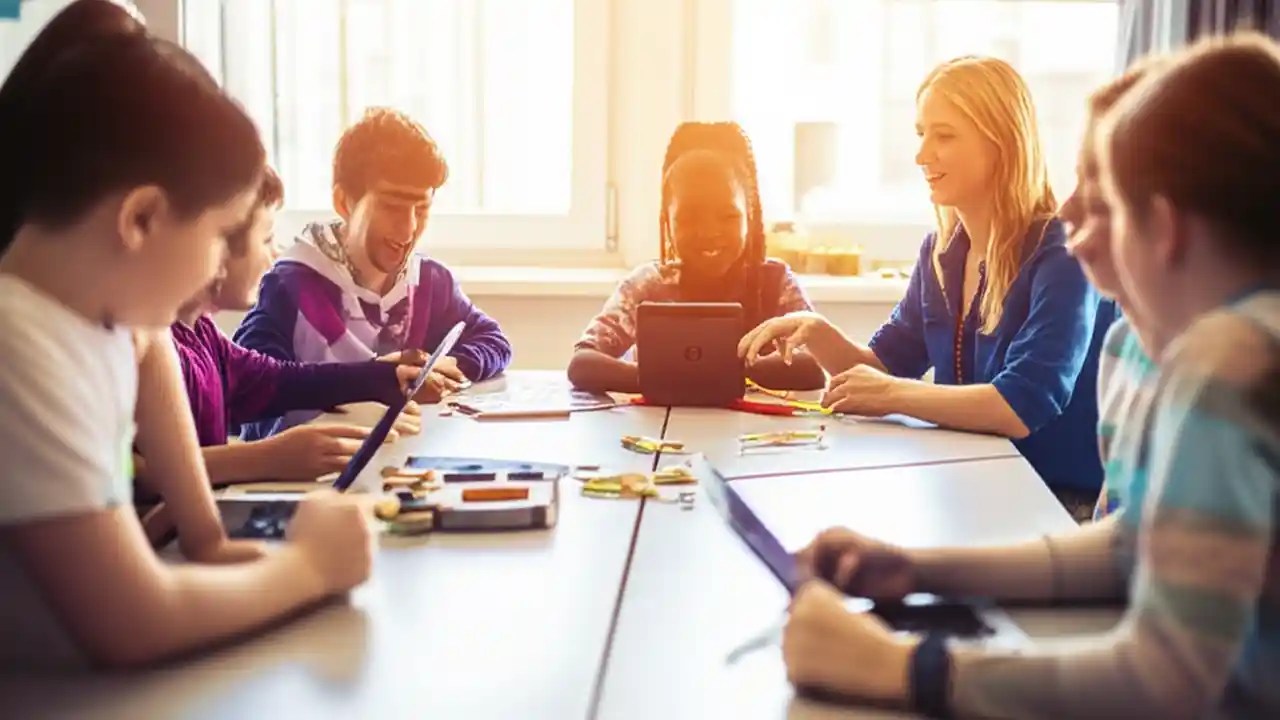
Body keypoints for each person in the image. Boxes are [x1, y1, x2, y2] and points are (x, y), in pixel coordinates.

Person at [781, 34, 1280, 718]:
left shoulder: (1227, 361)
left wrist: (902, 668)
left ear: (1162, 228)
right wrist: (917, 568)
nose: (1073, 218)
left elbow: (1165, 682)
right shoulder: (1159, 346)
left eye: (1105, 199)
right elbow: (1134, 543)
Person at [0, 24, 373, 669]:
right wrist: (312, 568)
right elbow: (131, 624)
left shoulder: (95, 313)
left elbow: (150, 353)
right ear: (140, 219)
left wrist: (206, 535)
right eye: (220, 233)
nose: (216, 266)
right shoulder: (19, 344)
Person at [739, 57, 1111, 515]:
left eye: (945, 135)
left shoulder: (1062, 253)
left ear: (1002, 144)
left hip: (1058, 503)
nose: (921, 155)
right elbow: (885, 367)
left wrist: (892, 395)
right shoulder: (940, 253)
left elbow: (1021, 405)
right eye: (921, 134)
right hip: (975, 479)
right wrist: (816, 332)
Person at [235, 107, 512, 440]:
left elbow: (494, 341)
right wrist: (376, 380)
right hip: (304, 474)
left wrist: (448, 366)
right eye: (393, 207)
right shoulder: (290, 284)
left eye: (422, 209)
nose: (409, 228)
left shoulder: (430, 282)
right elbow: (250, 389)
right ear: (343, 202)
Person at [150, 167, 426, 487]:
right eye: (267, 238)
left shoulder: (202, 333)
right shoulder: (148, 342)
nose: (276, 252)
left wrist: (381, 375)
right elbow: (137, 476)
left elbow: (276, 380)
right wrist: (266, 457)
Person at [569, 121, 824, 393]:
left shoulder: (775, 283)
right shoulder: (649, 284)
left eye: (728, 217)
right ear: (667, 222)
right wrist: (663, 378)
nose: (709, 232)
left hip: (750, 431)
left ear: (749, 217)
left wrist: (720, 372)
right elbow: (583, 363)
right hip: (659, 431)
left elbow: (814, 363)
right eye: (689, 218)